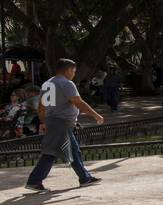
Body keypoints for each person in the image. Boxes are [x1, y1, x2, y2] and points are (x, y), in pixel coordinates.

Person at [24, 59, 104, 192]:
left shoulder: (47, 84)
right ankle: (34, 181)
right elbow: (79, 102)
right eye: (73, 71)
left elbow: (41, 107)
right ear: (67, 70)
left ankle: (84, 178)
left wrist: (44, 122)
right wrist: (96, 115)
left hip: (54, 121)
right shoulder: (66, 83)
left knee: (72, 151)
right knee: (51, 153)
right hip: (60, 122)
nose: (74, 74)